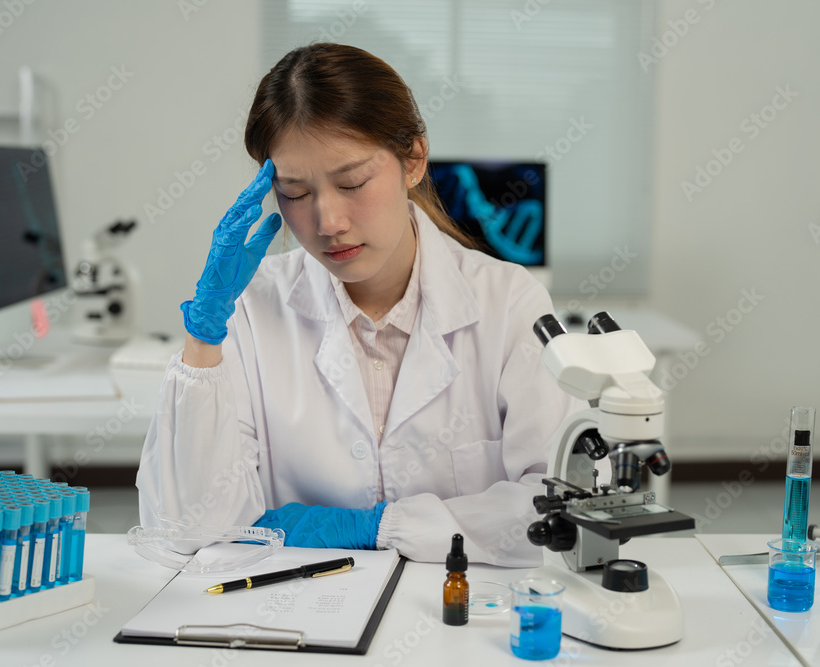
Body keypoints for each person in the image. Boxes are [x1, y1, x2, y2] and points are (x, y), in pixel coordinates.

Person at [135, 42, 577, 566]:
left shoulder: (508, 302)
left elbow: (558, 506)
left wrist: (380, 528)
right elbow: (188, 528)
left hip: (461, 620)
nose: (328, 222)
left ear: (413, 159)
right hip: (297, 617)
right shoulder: (249, 310)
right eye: (294, 193)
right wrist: (202, 341)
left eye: (351, 182)